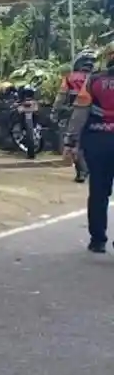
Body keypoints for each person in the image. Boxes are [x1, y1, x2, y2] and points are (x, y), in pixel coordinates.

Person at [63, 45, 114, 253]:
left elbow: (79, 113)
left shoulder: (93, 81)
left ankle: (98, 240)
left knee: (98, 192)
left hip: (97, 141)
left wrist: (70, 141)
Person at [58, 49, 96, 183]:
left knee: (73, 141)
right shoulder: (98, 77)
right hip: (97, 114)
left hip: (77, 112)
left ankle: (81, 172)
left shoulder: (70, 77)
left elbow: (61, 96)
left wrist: (55, 111)